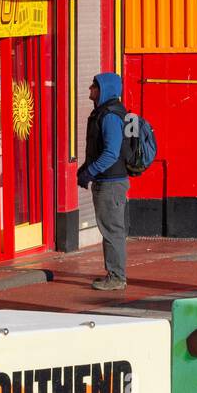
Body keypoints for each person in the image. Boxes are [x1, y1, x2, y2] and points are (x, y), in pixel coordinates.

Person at [79, 72, 131, 291]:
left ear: (105, 89)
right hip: (109, 181)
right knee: (111, 229)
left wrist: (90, 171)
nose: (90, 89)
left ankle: (117, 277)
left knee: (112, 230)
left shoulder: (109, 116)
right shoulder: (104, 112)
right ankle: (115, 273)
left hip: (111, 183)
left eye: (94, 86)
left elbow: (111, 153)